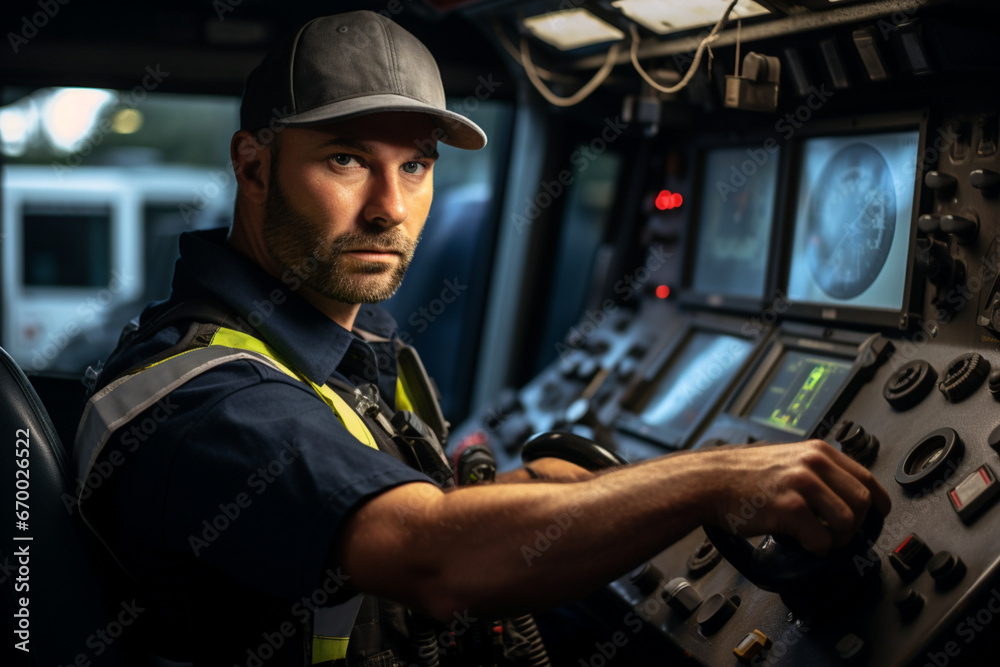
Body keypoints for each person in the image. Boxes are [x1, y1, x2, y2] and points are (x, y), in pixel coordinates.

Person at [73, 10, 891, 667]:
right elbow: (432, 558)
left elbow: (404, 516)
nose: (390, 207)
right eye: (349, 159)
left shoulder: (352, 349)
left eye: (417, 166)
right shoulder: (204, 399)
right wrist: (711, 480)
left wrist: (526, 495)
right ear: (253, 166)